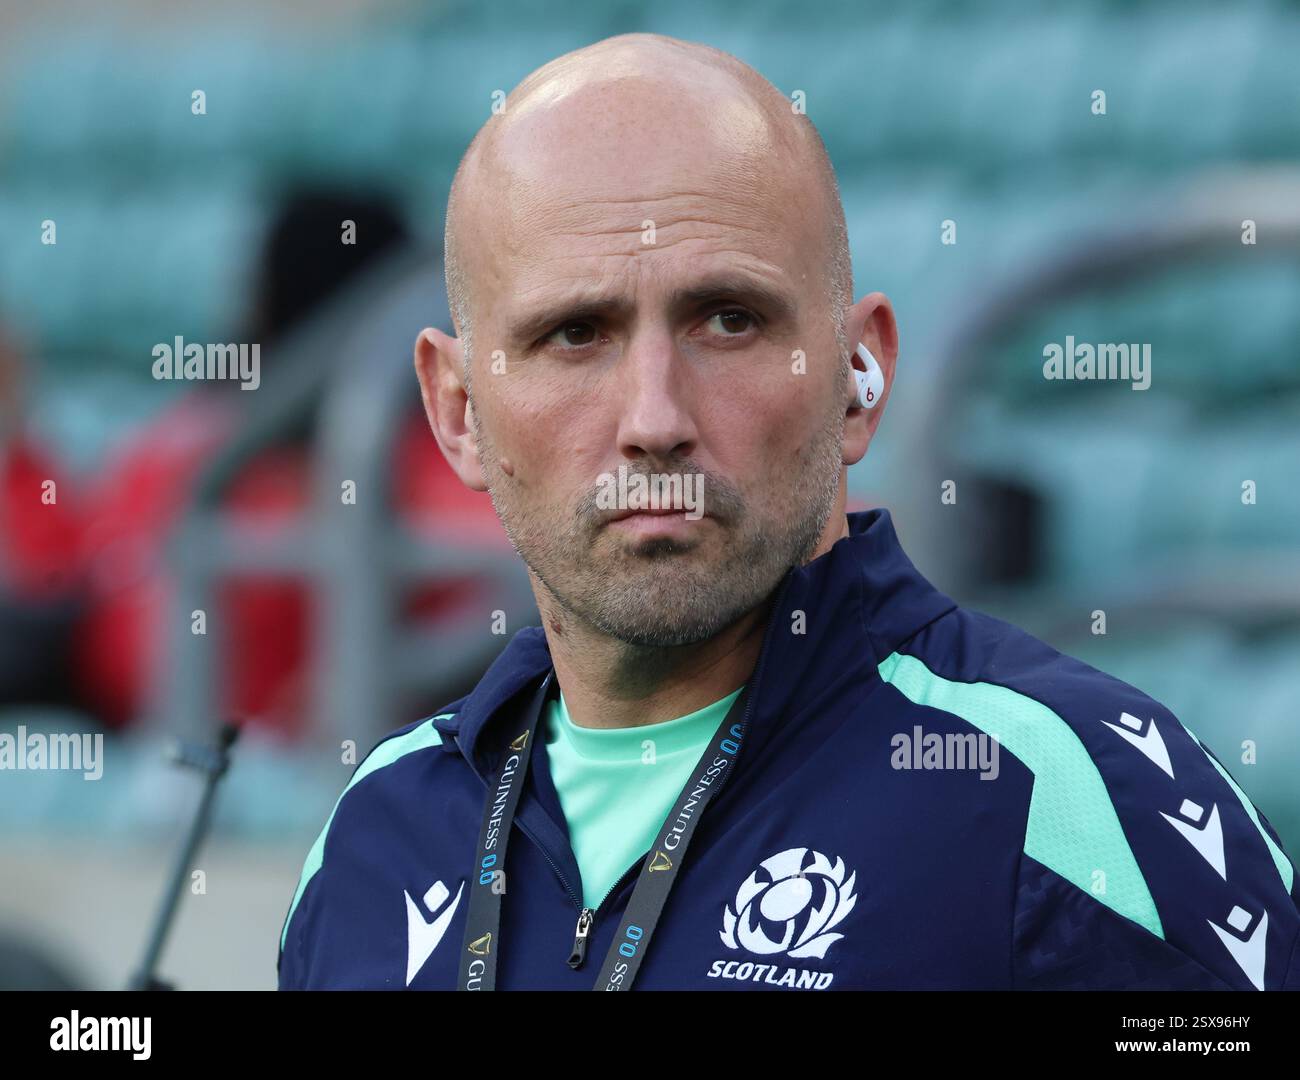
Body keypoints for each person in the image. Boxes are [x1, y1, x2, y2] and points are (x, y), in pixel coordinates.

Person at [277, 33, 1300, 990]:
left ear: (859, 374)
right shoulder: (376, 830)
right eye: (575, 333)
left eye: (728, 321)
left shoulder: (1066, 797)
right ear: (458, 412)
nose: (653, 418)